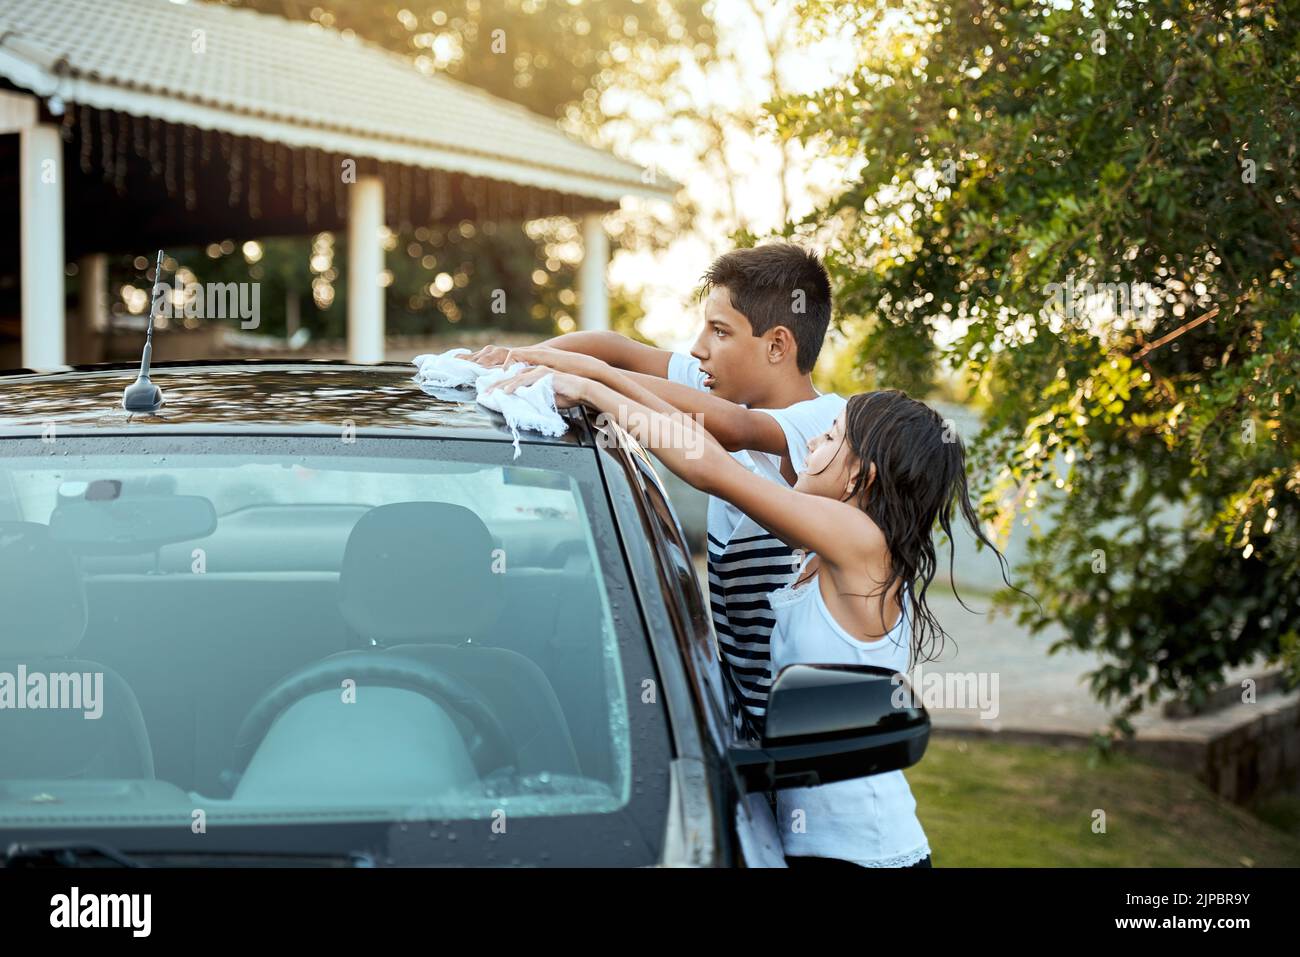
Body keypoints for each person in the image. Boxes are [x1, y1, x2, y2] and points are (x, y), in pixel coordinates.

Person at [486, 365, 1016, 867]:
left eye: (830, 438)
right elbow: (700, 442)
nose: (812, 443)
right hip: (813, 841)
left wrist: (594, 390)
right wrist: (594, 379)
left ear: (861, 477)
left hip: (863, 851)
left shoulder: (860, 545)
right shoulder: (831, 546)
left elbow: (710, 469)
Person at [472, 243, 845, 741]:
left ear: (777, 346)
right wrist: (520, 361)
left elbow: (733, 429)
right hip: (742, 722)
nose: (698, 349)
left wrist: (592, 381)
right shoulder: (719, 383)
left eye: (719, 331)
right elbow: (615, 348)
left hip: (806, 733)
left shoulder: (824, 424)